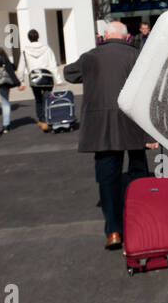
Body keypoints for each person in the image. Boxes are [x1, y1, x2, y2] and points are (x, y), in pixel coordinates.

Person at [63, 20, 158, 248]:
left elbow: (69, 74)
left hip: (101, 127)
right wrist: (152, 133)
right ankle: (140, 223)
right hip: (132, 121)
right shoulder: (137, 56)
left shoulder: (90, 57)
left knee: (107, 178)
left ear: (104, 36)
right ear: (126, 37)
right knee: (138, 172)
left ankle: (114, 231)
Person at [20, 28, 59, 132]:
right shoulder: (47, 48)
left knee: (38, 100)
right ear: (38, 37)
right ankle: (49, 118)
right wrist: (58, 79)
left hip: (34, 78)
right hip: (47, 77)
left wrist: (21, 81)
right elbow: (53, 64)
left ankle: (42, 121)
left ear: (29, 38)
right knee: (47, 99)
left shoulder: (25, 50)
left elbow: (21, 66)